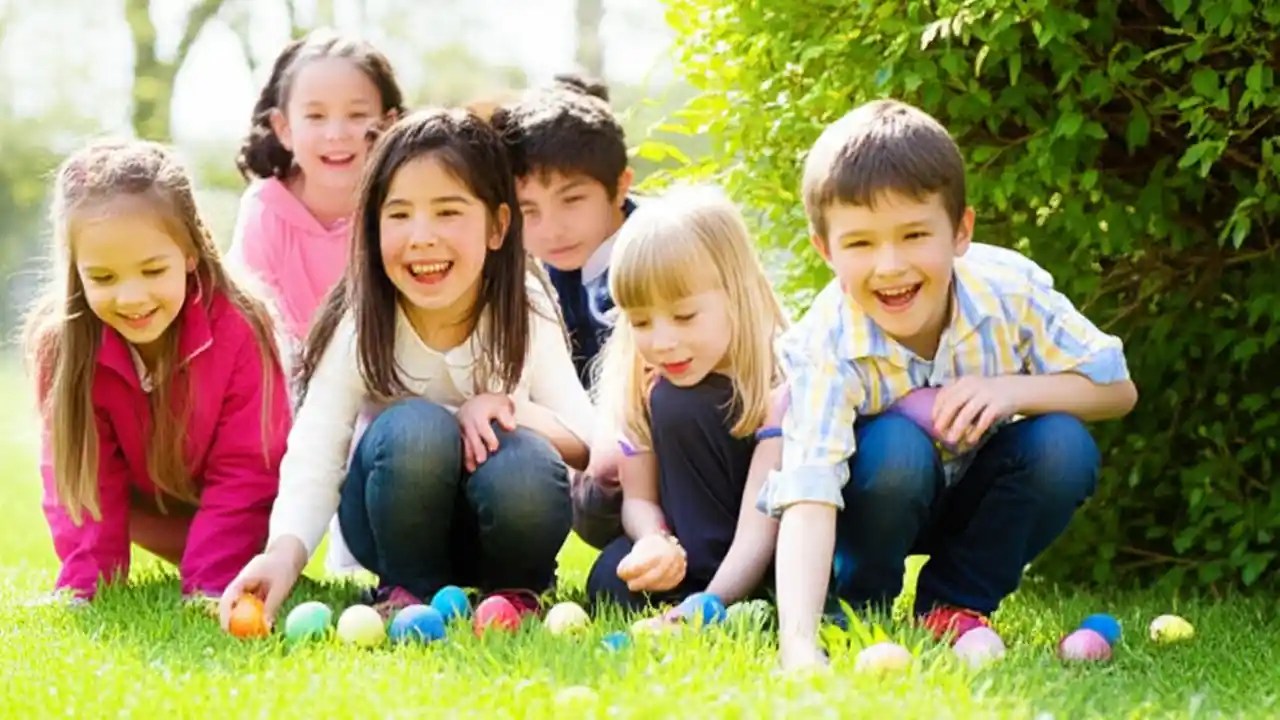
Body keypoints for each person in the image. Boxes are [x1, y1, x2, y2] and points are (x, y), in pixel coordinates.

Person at [763, 99, 1139, 670]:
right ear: (826, 251)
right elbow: (810, 494)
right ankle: (857, 607)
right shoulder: (827, 344)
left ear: (960, 231)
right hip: (876, 502)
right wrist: (797, 646)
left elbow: (1116, 390)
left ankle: (953, 605)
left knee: (1063, 445)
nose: (890, 266)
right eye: (860, 243)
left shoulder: (1007, 291)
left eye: (914, 234)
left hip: (973, 494)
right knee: (896, 450)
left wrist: (1013, 390)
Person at [218, 108, 595, 628]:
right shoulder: (363, 319)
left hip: (501, 528)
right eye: (398, 215)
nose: (421, 237)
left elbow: (590, 441)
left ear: (497, 226)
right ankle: (406, 590)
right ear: (372, 228)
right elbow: (316, 451)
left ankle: (514, 594)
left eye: (447, 212)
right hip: (392, 522)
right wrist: (283, 554)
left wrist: (510, 409)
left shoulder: (523, 308)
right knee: (417, 427)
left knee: (523, 455)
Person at [25, 138, 291, 602]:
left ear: (190, 253)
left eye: (152, 271)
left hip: (247, 514)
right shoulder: (63, 342)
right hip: (151, 510)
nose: (131, 298)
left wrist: (210, 582)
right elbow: (83, 474)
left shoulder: (240, 326)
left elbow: (248, 468)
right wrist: (89, 588)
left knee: (239, 514)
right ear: (77, 270)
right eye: (103, 278)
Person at [585, 186, 788, 613]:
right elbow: (639, 496)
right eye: (641, 320)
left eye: (684, 316)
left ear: (735, 294)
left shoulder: (780, 381)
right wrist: (653, 540)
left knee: (687, 405)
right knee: (609, 581)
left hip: (765, 545)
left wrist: (710, 602)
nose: (662, 341)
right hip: (685, 542)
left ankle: (723, 592)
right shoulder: (642, 377)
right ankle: (682, 583)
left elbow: (760, 525)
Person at [495, 72, 638, 550]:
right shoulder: (532, 276)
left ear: (620, 187)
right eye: (528, 210)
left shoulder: (657, 250)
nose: (551, 229)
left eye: (572, 200)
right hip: (598, 467)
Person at [228, 28, 405, 347]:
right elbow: (247, 322)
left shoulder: (403, 207)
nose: (336, 133)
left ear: (389, 125)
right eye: (316, 116)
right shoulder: (266, 209)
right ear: (284, 128)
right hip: (288, 380)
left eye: (357, 114)